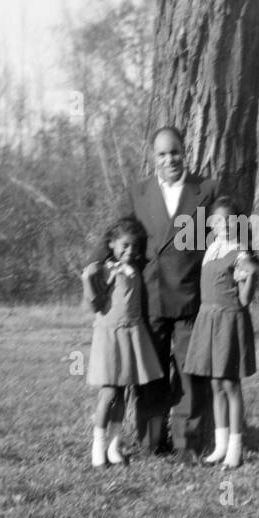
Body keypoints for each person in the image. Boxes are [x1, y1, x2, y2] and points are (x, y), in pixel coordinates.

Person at [84, 126, 217, 460]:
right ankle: (152, 442)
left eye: (175, 152)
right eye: (162, 154)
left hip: (191, 298)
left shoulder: (207, 189)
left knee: (192, 373)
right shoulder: (136, 193)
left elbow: (233, 232)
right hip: (149, 299)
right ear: (153, 157)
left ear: (184, 152)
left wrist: (247, 260)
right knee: (150, 374)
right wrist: (93, 264)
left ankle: (189, 443)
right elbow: (114, 235)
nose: (170, 159)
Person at [184, 196, 259, 468]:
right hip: (208, 319)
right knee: (215, 384)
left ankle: (236, 449)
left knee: (230, 384)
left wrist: (250, 275)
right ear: (211, 224)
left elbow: (244, 299)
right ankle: (221, 446)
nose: (224, 225)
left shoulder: (240, 253)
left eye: (229, 220)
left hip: (229, 320)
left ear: (238, 223)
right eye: (218, 220)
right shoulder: (211, 248)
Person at [82, 217, 164, 468]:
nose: (129, 251)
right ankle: (98, 447)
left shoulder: (135, 270)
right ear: (112, 244)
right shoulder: (105, 270)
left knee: (123, 391)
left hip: (131, 333)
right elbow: (95, 304)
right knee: (108, 393)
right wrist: (87, 279)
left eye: (134, 247)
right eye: (124, 246)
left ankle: (115, 446)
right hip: (109, 336)